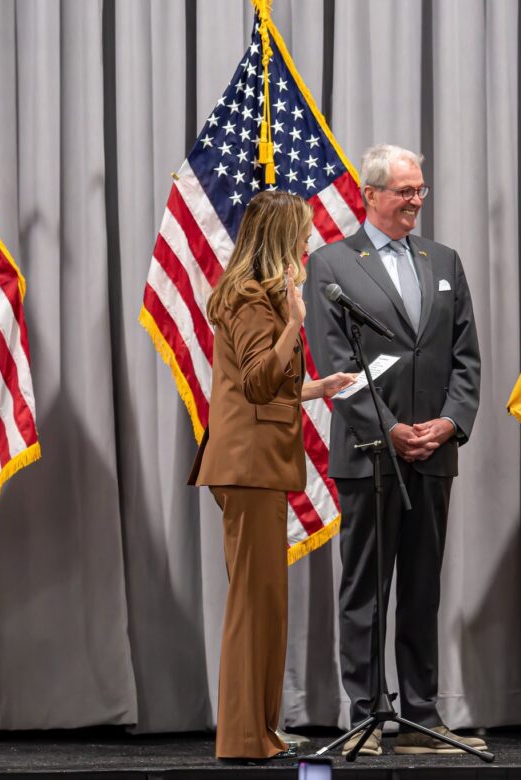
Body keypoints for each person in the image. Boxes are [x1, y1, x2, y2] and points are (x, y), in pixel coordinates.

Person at [304, 144, 483, 756]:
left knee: (423, 588)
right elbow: (334, 364)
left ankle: (420, 716)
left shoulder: (444, 261)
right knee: (366, 590)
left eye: (420, 190)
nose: (415, 201)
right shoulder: (331, 264)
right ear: (371, 195)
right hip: (369, 455)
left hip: (432, 454)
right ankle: (369, 715)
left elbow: (466, 357)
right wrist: (387, 428)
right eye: (405, 191)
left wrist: (449, 423)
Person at [188, 190, 355, 763]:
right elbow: (260, 380)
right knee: (252, 604)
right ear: (281, 239)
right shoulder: (256, 302)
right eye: (303, 233)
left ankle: (259, 731)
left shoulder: (251, 298)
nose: (309, 241)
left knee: (263, 601)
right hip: (250, 467)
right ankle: (242, 737)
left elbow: (254, 387)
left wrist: (314, 387)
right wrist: (295, 323)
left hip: (252, 464)